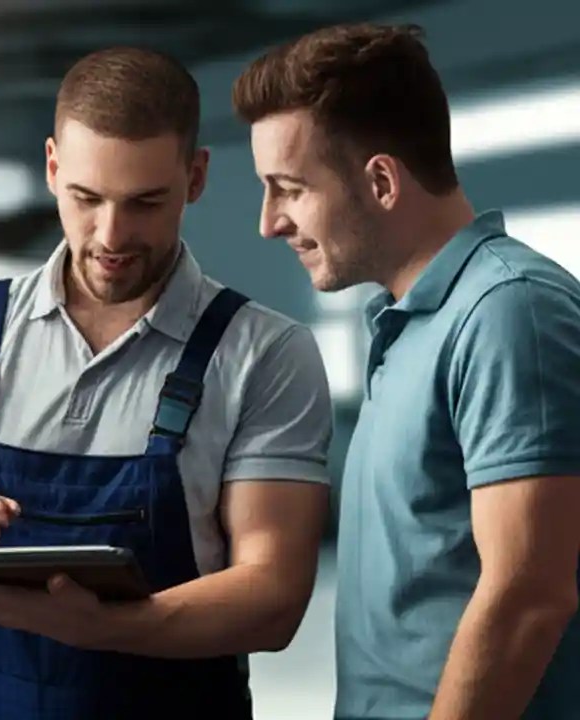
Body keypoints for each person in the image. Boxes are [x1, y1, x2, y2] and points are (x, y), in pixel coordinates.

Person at [0, 46, 334, 719]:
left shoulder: (263, 354)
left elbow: (273, 599)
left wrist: (101, 628)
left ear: (195, 176)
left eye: (144, 202)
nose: (111, 234)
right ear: (51, 168)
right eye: (86, 198)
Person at [233, 22, 580, 720]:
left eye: (289, 189)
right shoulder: (408, 325)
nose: (269, 222)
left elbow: (529, 596)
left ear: (383, 180)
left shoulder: (508, 313)